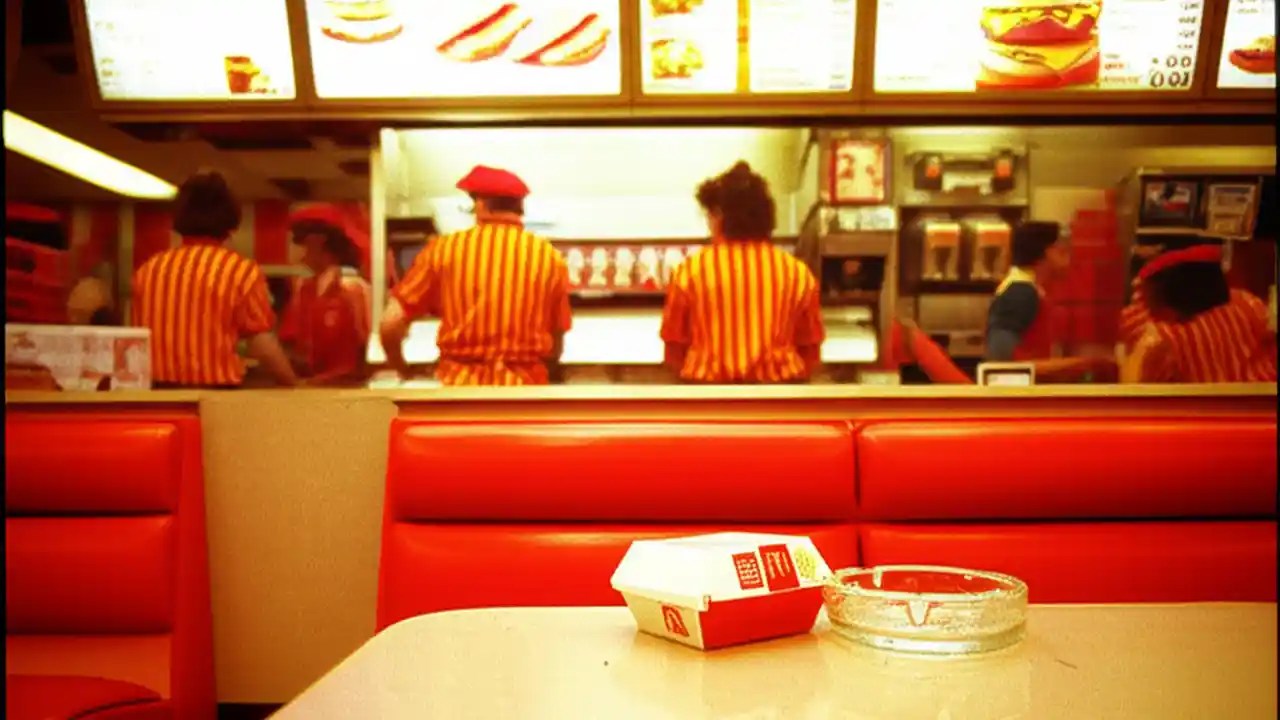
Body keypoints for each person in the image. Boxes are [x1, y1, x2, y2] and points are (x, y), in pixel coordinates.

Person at [379, 165, 571, 386]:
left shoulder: (445, 249)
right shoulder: (549, 258)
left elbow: (390, 324)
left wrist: (402, 369)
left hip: (459, 391)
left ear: (480, 204)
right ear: (519, 208)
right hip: (523, 393)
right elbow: (557, 341)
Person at [660, 161, 824, 383]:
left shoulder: (690, 272)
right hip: (780, 399)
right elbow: (811, 349)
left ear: (718, 215)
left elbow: (673, 349)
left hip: (707, 399)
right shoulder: (797, 274)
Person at [131, 171, 297, 388]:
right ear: (231, 218)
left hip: (156, 396)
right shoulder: (240, 271)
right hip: (215, 396)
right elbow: (260, 342)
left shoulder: (149, 270)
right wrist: (292, 384)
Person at [1120, 244, 1276, 383]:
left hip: (1209, 410)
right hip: (1262, 402)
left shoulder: (1162, 340)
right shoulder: (1246, 301)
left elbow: (1130, 393)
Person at [278, 204, 373, 386]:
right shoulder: (304, 289)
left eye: (299, 241)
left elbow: (368, 352)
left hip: (350, 393)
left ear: (317, 241)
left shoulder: (353, 288)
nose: (297, 250)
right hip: (314, 391)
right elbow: (293, 346)